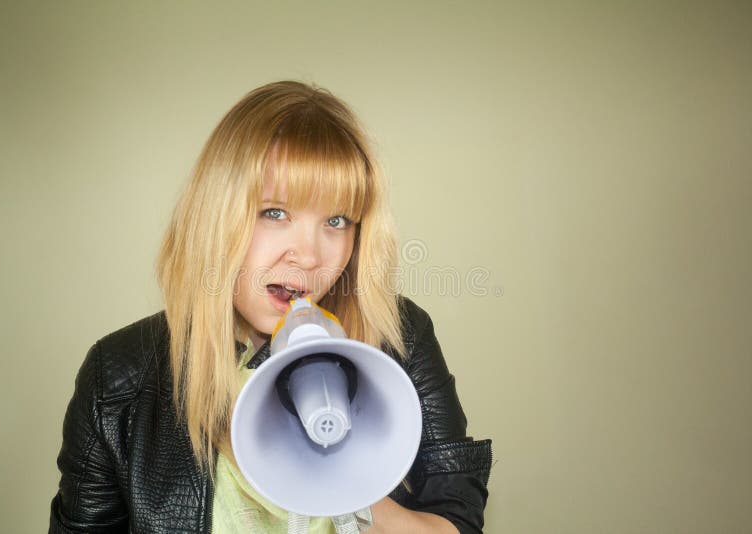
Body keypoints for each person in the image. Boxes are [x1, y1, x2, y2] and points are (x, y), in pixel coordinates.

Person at [49, 81, 491, 533]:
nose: (309, 255)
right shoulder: (118, 375)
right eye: (275, 213)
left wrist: (350, 477)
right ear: (215, 215)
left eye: (336, 221)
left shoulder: (401, 336)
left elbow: (457, 521)